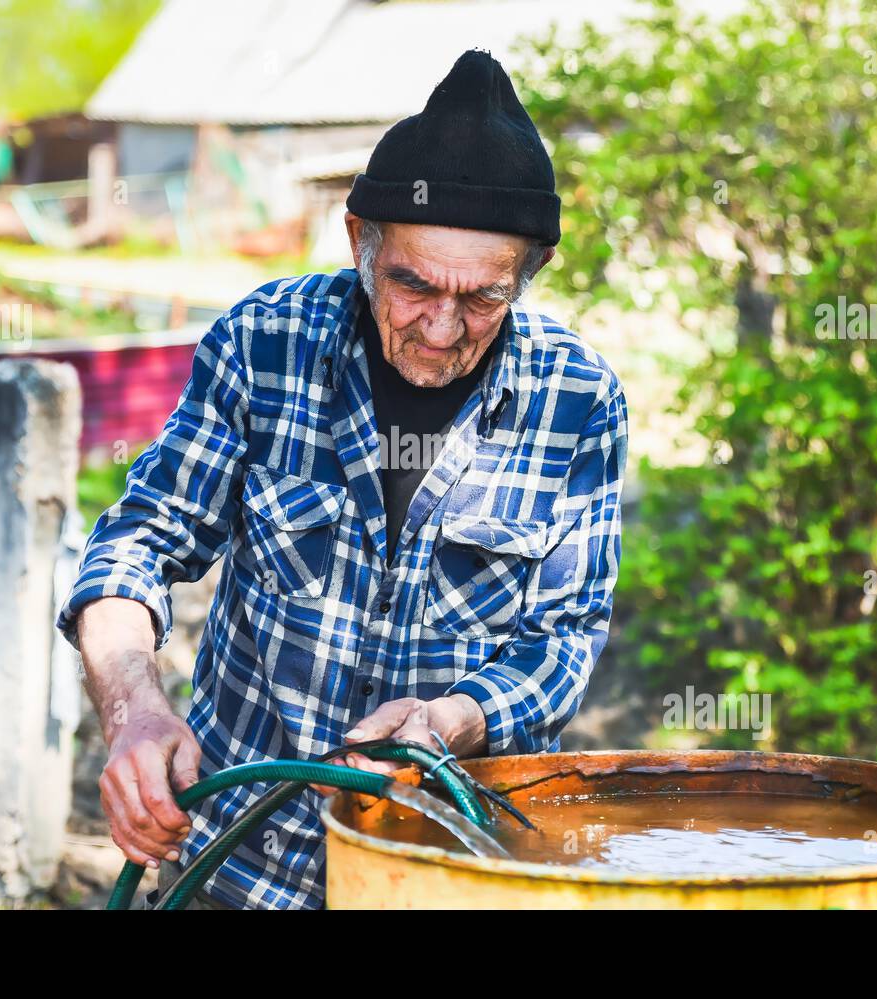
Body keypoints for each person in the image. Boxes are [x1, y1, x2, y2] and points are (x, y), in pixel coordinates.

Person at [57, 48, 629, 910]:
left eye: (483, 298)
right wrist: (134, 709)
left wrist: (451, 721)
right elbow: (138, 541)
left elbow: (564, 638)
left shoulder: (580, 402)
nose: (442, 328)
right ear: (361, 241)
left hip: (440, 868)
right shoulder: (265, 343)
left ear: (529, 273)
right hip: (238, 865)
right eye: (414, 285)